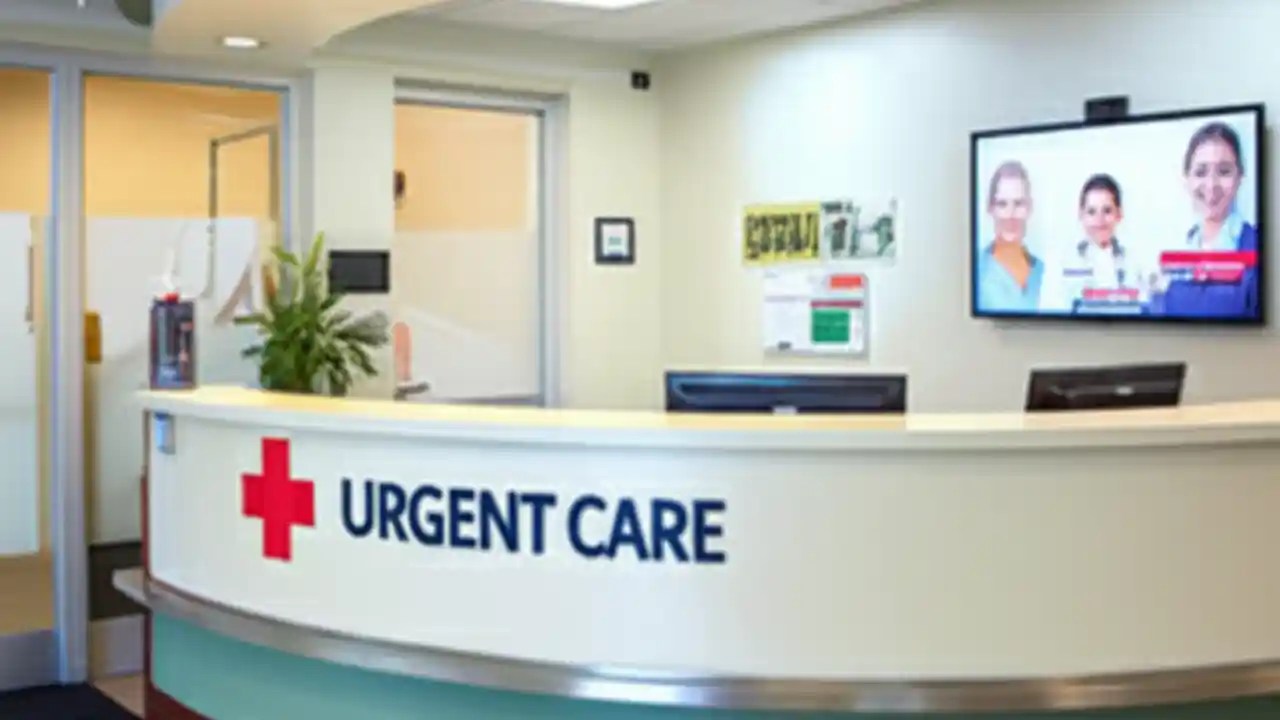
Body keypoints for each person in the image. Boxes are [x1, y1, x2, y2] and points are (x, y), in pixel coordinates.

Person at [1158, 121, 1259, 318]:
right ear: (1186, 179)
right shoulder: (1176, 251)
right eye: (1201, 172)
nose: (1211, 185)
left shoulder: (1258, 246)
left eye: (1224, 172)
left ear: (1240, 177)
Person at [1043, 174, 1144, 313]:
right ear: (1081, 215)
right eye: (1091, 212)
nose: (1099, 220)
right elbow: (1049, 312)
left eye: (1107, 211)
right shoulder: (1060, 261)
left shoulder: (1135, 261)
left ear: (1119, 214)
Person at [977, 161, 1044, 312]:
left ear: (1029, 208)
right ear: (990, 208)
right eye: (1002, 204)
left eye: (1018, 203)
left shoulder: (1043, 273)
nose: (1010, 214)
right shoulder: (976, 270)